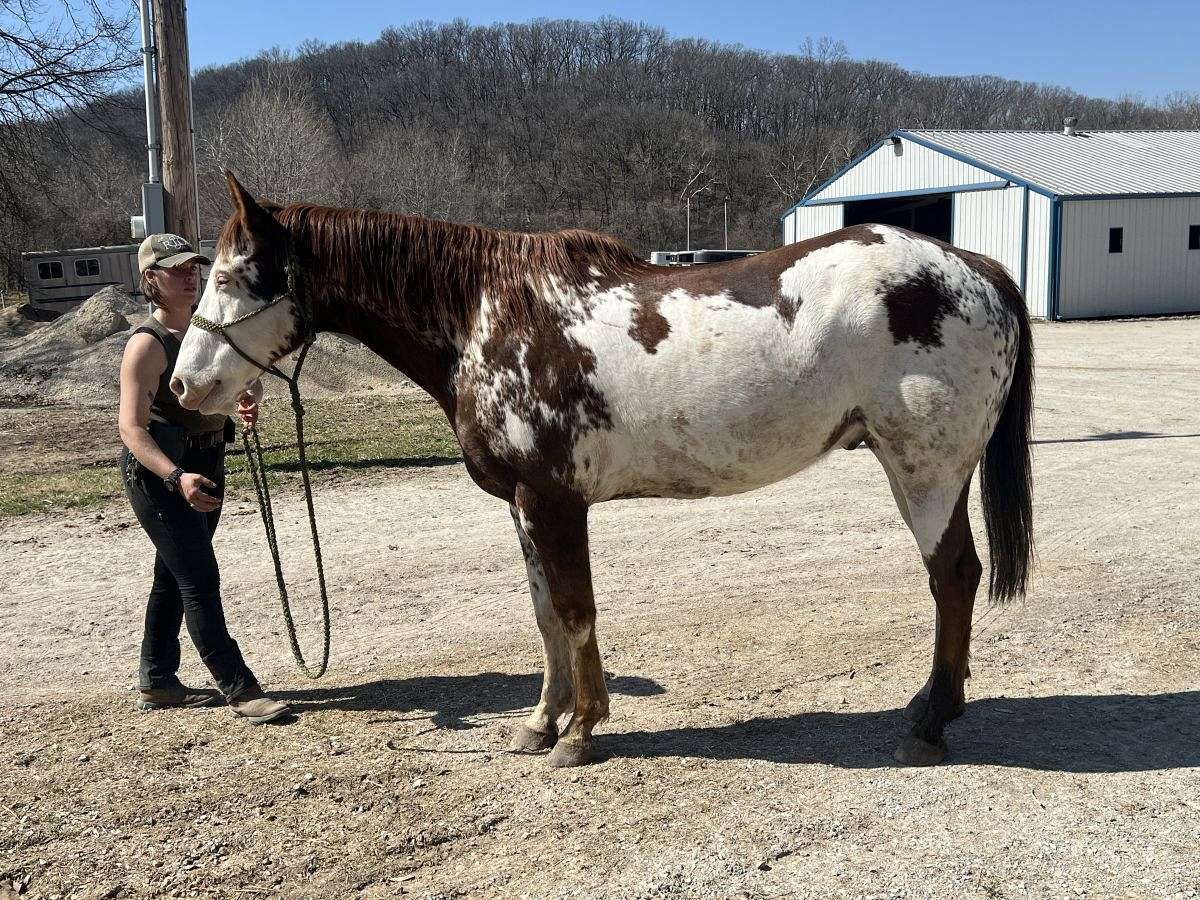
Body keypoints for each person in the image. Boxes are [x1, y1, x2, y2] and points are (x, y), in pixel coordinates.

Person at [117, 233, 289, 724]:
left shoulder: (205, 329)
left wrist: (246, 398)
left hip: (209, 461)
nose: (190, 274)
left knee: (173, 574)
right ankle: (239, 687)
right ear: (152, 278)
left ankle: (157, 679)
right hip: (161, 473)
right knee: (197, 576)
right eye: (176, 269)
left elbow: (233, 381)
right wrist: (176, 478)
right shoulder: (147, 345)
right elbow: (130, 427)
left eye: (194, 266)